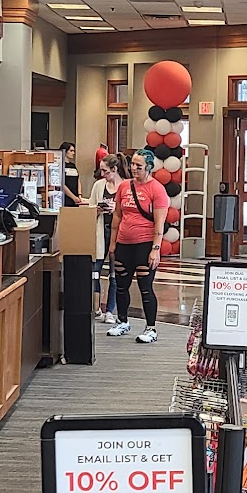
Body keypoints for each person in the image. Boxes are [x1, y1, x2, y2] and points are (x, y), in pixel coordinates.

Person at [108, 150, 168, 343]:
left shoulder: (156, 189)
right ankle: (122, 321)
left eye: (139, 166)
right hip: (124, 244)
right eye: (132, 164)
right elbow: (117, 215)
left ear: (148, 167)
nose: (134, 168)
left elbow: (159, 223)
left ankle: (151, 328)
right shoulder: (124, 186)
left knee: (145, 287)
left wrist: (155, 249)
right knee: (121, 286)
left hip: (145, 245)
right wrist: (112, 244)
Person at [89, 154, 121, 321]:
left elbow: (126, 212)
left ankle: (110, 311)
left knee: (115, 274)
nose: (102, 174)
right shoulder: (99, 186)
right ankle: (96, 307)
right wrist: (99, 209)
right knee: (95, 271)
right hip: (101, 231)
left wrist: (115, 209)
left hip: (118, 234)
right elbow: (90, 208)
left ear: (114, 170)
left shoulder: (125, 186)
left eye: (105, 171)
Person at [59, 141, 84, 207]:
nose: (73, 153)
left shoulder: (73, 166)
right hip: (66, 199)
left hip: (76, 199)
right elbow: (62, 184)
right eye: (71, 151)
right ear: (65, 151)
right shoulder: (60, 166)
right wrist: (73, 197)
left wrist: (79, 195)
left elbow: (78, 180)